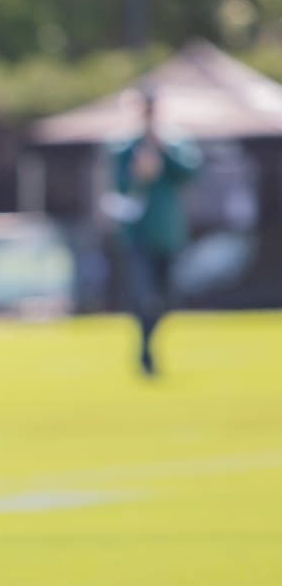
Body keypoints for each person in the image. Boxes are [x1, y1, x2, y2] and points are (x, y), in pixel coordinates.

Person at [105, 88, 199, 377]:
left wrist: (163, 151)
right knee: (146, 297)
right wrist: (137, 173)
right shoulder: (124, 147)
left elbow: (190, 172)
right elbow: (119, 186)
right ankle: (145, 353)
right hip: (138, 235)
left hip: (168, 233)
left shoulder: (175, 142)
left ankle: (147, 345)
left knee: (168, 299)